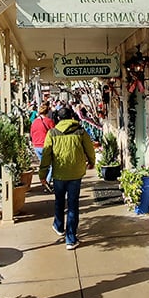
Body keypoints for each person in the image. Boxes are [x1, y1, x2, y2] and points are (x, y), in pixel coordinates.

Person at [39, 105, 95, 249]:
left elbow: (46, 155)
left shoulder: (52, 133)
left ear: (58, 118)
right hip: (76, 173)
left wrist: (43, 174)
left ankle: (58, 226)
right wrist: (91, 162)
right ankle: (70, 239)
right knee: (73, 205)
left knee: (59, 201)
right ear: (71, 116)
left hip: (59, 173)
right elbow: (89, 148)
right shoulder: (80, 131)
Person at [30, 102, 55, 189]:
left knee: (43, 165)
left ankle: (43, 180)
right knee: (52, 165)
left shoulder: (34, 122)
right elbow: (53, 134)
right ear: (47, 112)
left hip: (37, 146)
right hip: (46, 146)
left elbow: (31, 133)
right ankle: (47, 181)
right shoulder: (49, 121)